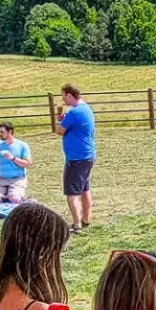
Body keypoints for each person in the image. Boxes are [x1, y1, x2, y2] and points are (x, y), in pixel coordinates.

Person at [55, 84, 95, 234]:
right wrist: (66, 120)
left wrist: (60, 121)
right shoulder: (86, 108)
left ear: (70, 96)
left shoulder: (74, 112)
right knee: (85, 189)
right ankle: (86, 219)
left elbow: (59, 130)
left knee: (72, 193)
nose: (63, 100)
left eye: (64, 96)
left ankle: (77, 224)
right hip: (87, 155)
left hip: (76, 159)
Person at [0, 122, 32, 204]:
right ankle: (7, 193)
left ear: (10, 132)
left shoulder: (22, 145)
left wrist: (13, 158)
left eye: (2, 132)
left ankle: (17, 195)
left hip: (17, 179)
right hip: (1, 179)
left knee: (15, 199)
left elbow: (28, 163)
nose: (0, 135)